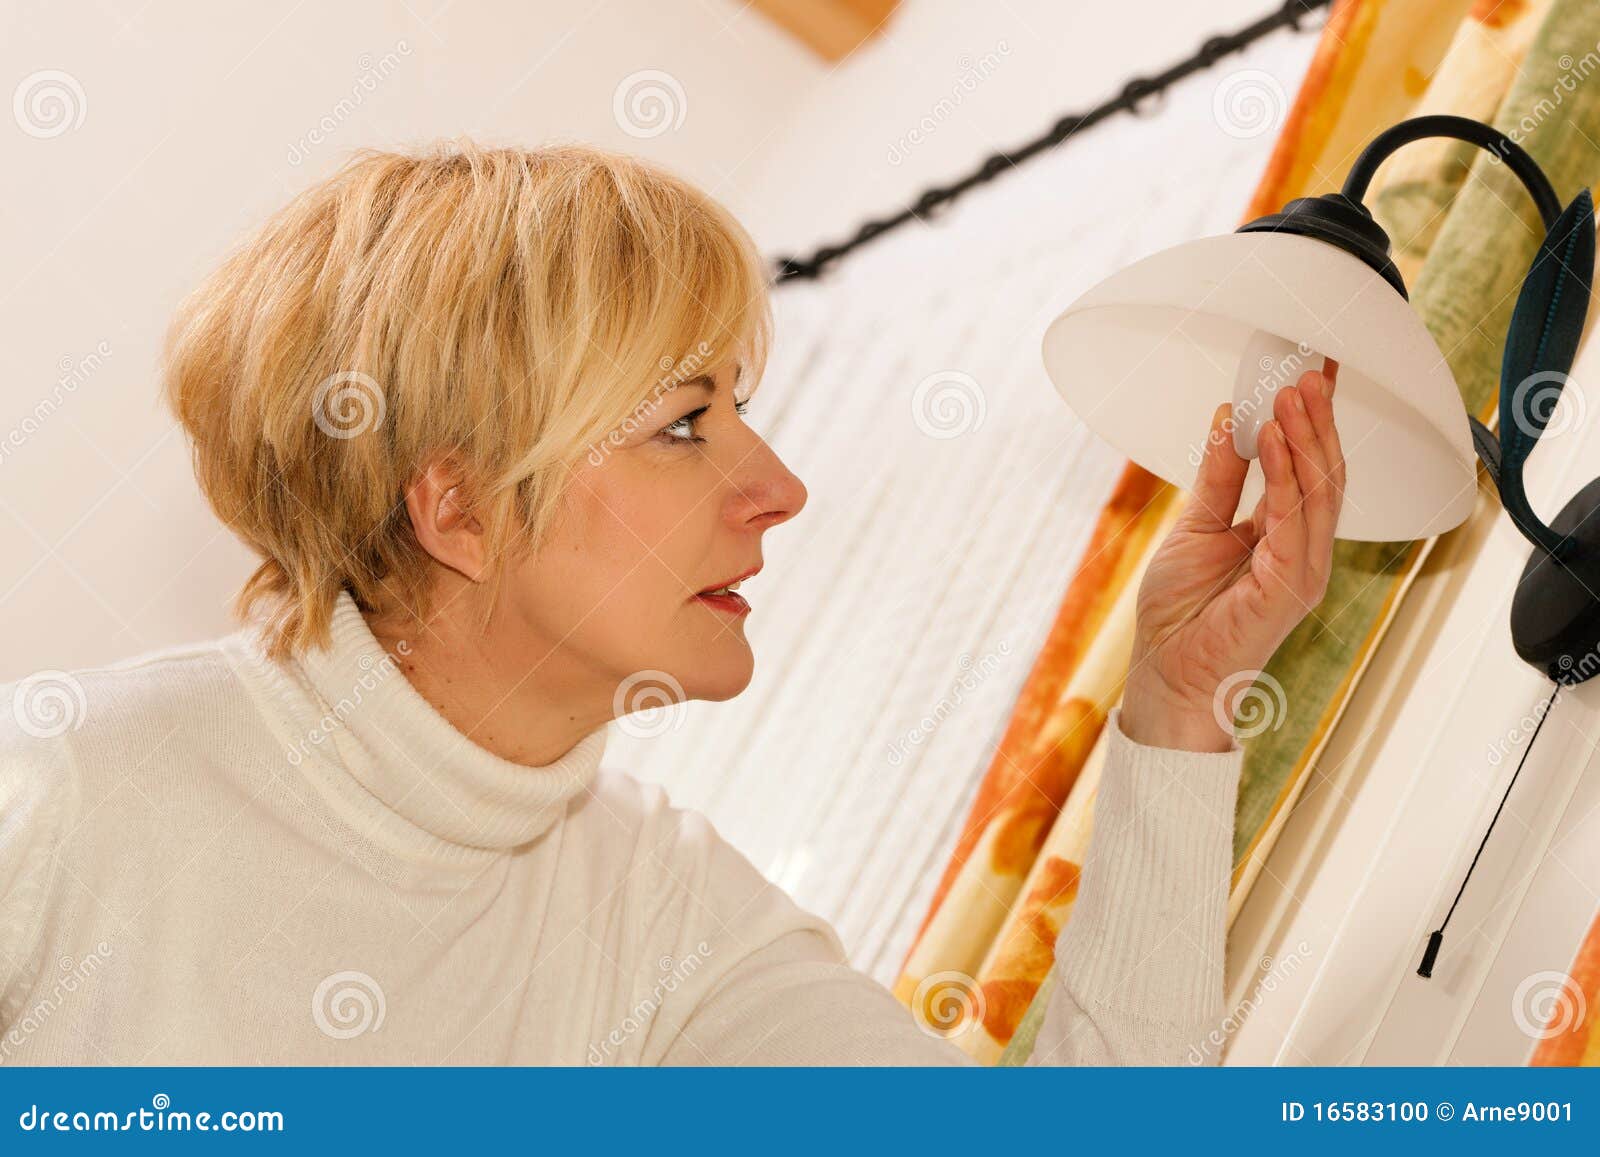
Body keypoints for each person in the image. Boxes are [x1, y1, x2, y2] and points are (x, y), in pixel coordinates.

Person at [0, 142, 1343, 1065]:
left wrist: (1178, 706)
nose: (781, 487)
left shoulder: (666, 915)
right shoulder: (63, 785)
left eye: (740, 409)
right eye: (686, 423)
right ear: (455, 506)